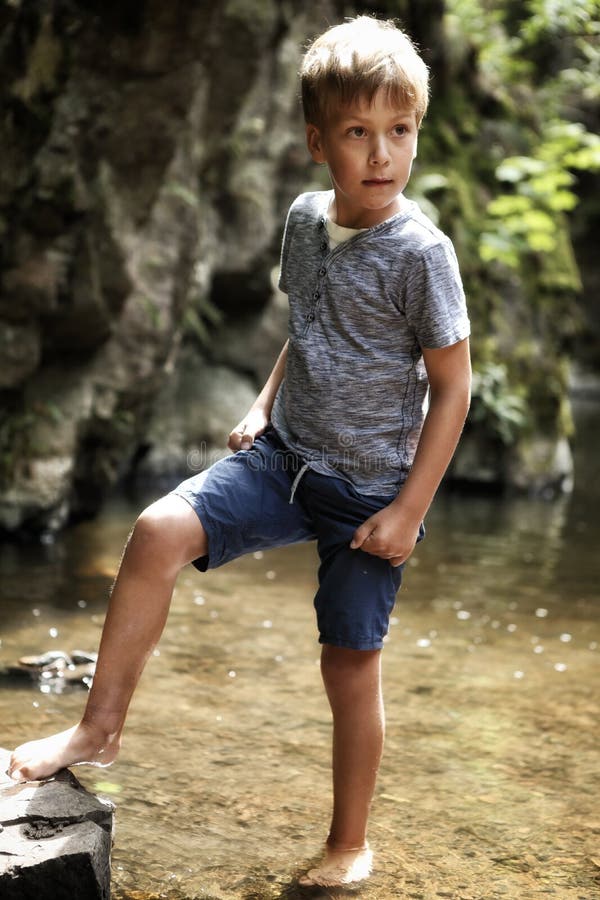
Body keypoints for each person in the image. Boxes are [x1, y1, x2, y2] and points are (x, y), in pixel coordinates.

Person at [8, 15, 471, 888]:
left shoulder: (423, 254)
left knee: (349, 662)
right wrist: (262, 407)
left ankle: (348, 840)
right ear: (316, 143)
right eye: (357, 133)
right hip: (284, 458)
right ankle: (97, 727)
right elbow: (310, 328)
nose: (382, 154)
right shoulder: (304, 221)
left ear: (417, 133)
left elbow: (454, 387)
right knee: (154, 532)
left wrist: (409, 511)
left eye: (399, 131)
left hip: (370, 494)